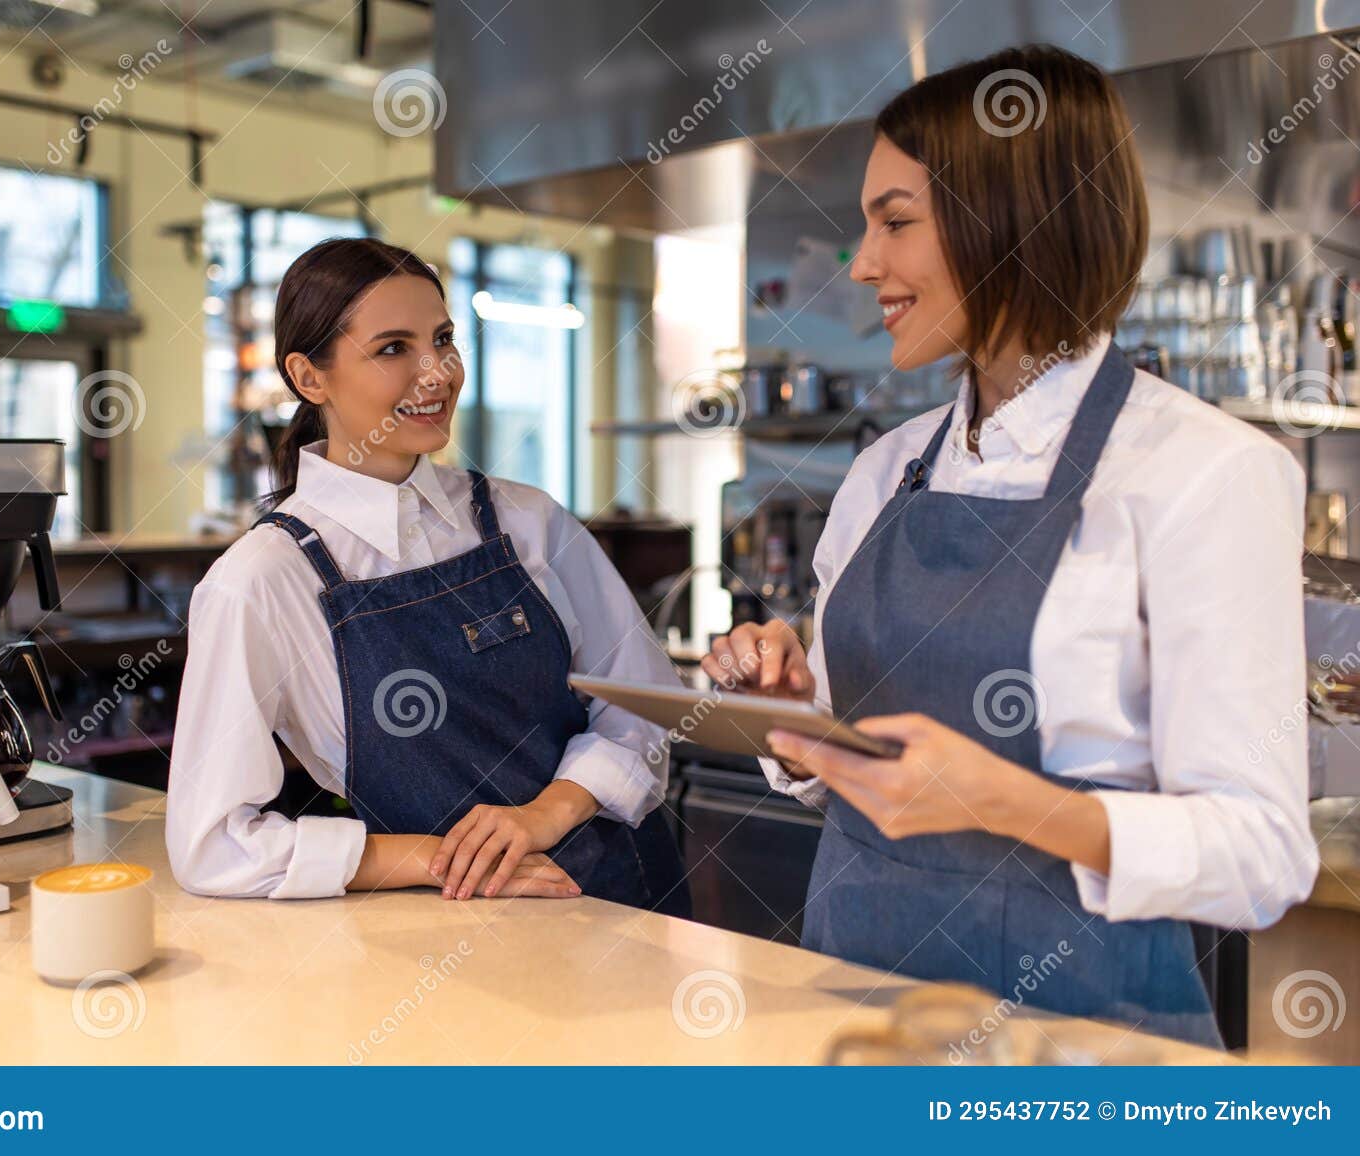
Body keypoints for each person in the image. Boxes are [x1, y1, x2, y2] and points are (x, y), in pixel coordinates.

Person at [702, 45, 1316, 1046]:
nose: (861, 264)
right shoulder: (879, 474)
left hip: (1077, 1041)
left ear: (1013, 220)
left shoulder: (1202, 472)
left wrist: (1014, 804)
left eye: (895, 221)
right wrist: (790, 715)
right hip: (851, 1022)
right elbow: (849, 758)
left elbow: (1262, 853)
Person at [168, 237, 688, 915]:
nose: (436, 372)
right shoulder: (262, 582)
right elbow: (212, 843)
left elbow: (647, 701)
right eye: (393, 349)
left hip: (634, 905)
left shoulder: (526, 520)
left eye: (442, 339)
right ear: (309, 377)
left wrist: (546, 815)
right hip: (447, 938)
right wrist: (421, 858)